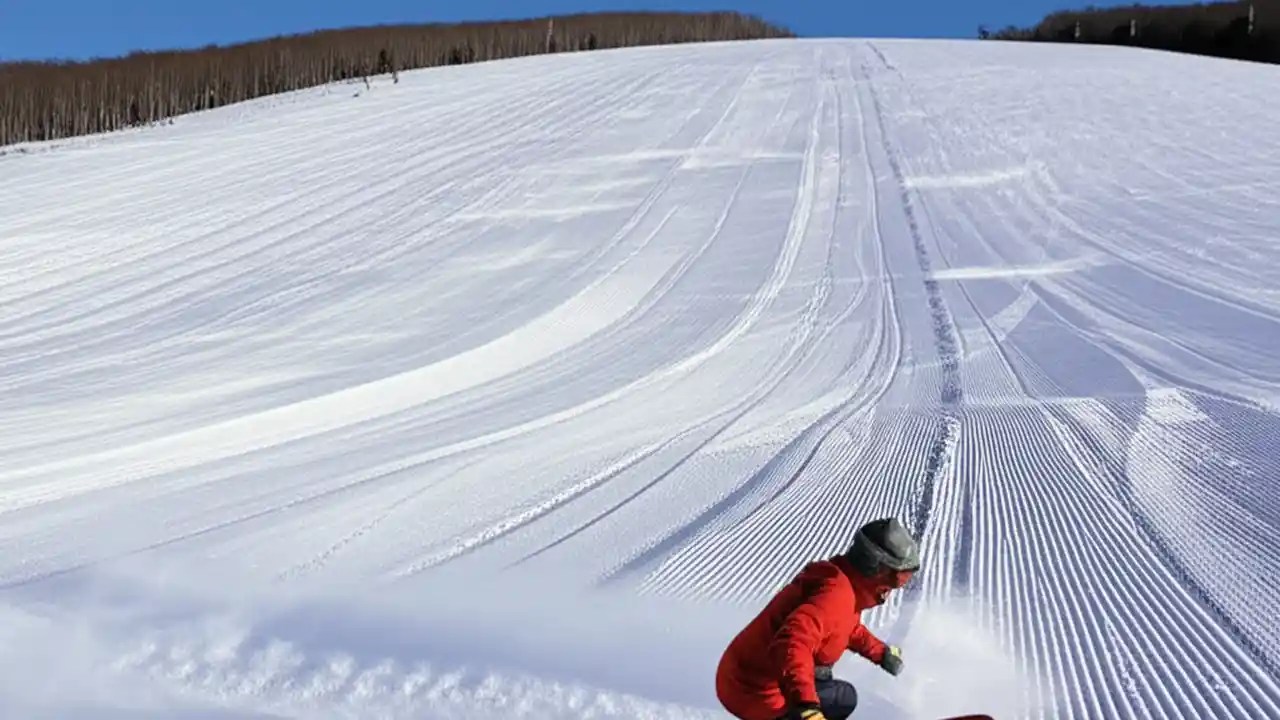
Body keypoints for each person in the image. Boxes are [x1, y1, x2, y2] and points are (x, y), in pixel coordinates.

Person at [715, 517, 921, 720]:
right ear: (874, 567)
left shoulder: (843, 583)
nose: (893, 589)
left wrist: (881, 653)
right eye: (897, 579)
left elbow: (845, 628)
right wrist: (806, 706)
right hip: (755, 692)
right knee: (843, 699)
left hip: (740, 677)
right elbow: (792, 642)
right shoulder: (836, 596)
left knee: (831, 686)